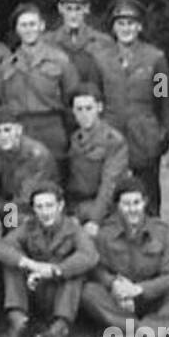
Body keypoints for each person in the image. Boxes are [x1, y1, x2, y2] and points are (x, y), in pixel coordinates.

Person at [82, 177, 169, 337]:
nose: (132, 209)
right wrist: (114, 284)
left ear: (145, 202)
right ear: (117, 206)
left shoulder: (163, 232)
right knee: (89, 292)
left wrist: (139, 290)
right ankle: (158, 336)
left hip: (154, 298)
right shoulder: (105, 234)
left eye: (137, 203)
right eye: (126, 204)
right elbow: (97, 269)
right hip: (120, 303)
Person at [0, 182, 99, 337]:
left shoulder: (73, 229)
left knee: (75, 273)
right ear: (33, 209)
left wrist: (56, 270)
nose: (45, 212)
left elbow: (90, 256)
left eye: (49, 206)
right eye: (39, 207)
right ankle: (18, 322)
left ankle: (60, 330)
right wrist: (30, 265)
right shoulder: (29, 226)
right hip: (35, 290)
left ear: (60, 206)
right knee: (12, 264)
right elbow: (1, 247)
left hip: (61, 294)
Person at [93, 0, 169, 216]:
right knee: (111, 195)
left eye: (131, 23)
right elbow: (96, 98)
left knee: (147, 196)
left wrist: (161, 138)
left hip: (144, 136)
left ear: (139, 26)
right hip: (112, 134)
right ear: (113, 27)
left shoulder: (154, 59)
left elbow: (166, 102)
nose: (126, 29)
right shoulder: (101, 59)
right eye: (121, 23)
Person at [0, 1, 85, 162]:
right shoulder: (7, 65)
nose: (28, 29)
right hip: (20, 128)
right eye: (23, 25)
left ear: (41, 26)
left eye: (32, 24)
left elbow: (73, 96)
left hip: (52, 126)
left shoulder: (59, 60)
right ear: (17, 29)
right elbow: (3, 99)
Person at [65, 84, 129, 234]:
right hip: (76, 206)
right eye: (79, 109)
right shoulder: (75, 138)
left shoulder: (113, 141)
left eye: (89, 108)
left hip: (103, 209)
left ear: (99, 108)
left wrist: (95, 220)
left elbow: (109, 184)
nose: (84, 114)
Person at [0, 105, 58, 219]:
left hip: (38, 209)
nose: (3, 136)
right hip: (10, 206)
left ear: (19, 130)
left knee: (14, 226)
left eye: (7, 130)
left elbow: (27, 198)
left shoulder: (36, 155)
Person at [45, 0, 111, 81]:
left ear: (87, 9)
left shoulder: (103, 42)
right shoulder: (48, 42)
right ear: (60, 9)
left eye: (78, 9)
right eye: (69, 9)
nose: (73, 15)